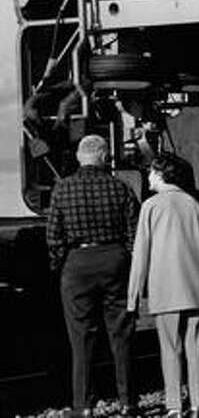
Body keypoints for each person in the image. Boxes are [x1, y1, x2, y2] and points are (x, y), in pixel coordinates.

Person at [45, 134, 141, 417]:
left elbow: (53, 236)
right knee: (122, 334)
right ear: (105, 157)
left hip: (77, 262)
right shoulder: (121, 188)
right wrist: (126, 259)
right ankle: (128, 402)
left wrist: (60, 265)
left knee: (81, 337)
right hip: (115, 260)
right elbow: (133, 234)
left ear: (79, 157)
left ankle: (83, 405)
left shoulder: (62, 189)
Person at [127, 153, 199, 418]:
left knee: (170, 350)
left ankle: (175, 406)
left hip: (165, 290)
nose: (149, 176)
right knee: (195, 349)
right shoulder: (194, 204)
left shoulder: (151, 206)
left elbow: (141, 254)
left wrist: (133, 298)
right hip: (195, 287)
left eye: (152, 171)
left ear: (163, 174)